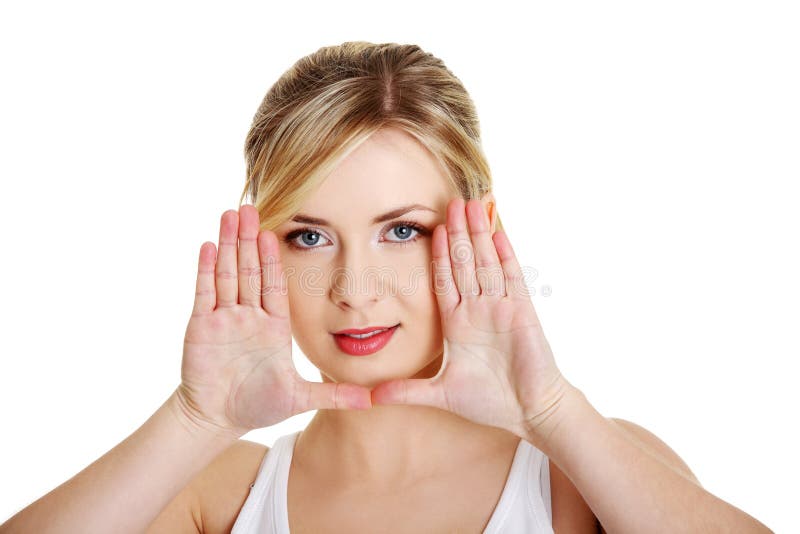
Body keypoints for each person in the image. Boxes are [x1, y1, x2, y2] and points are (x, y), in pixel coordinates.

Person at [0, 41, 772, 534]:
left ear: (477, 228)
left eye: (401, 230)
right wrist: (196, 420)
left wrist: (552, 412)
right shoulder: (220, 492)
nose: (355, 290)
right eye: (309, 236)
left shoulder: (579, 477)